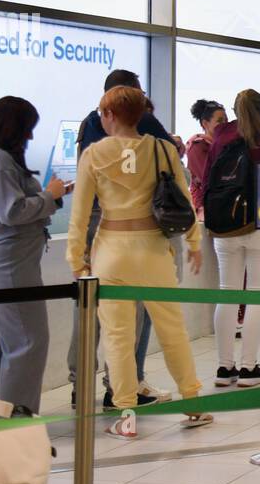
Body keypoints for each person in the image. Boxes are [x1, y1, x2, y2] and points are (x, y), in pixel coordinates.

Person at [67, 86, 211, 437]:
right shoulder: (162, 149)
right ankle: (192, 401)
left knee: (117, 337)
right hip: (153, 251)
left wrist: (76, 260)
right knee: (172, 328)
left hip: (110, 252)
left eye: (103, 113)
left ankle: (127, 415)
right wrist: (193, 243)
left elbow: (80, 215)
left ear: (111, 115)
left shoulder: (94, 154)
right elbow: (183, 199)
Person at [71, 69, 185, 407]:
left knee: (91, 307)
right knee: (138, 309)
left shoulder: (88, 123)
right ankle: (125, 383)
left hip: (96, 224)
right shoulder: (142, 122)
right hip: (130, 228)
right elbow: (167, 159)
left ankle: (81, 384)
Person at [0, 96, 62, 412]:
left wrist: (50, 197)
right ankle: (17, 426)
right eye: (27, 129)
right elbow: (12, 211)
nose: (30, 137)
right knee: (27, 345)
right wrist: (50, 196)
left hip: (0, 263)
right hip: (7, 265)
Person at [207, 89, 260, 388]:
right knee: (257, 294)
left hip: (224, 225)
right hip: (258, 225)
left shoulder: (222, 135)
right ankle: (249, 368)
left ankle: (225, 368)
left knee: (227, 292)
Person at [185, 98, 226, 220]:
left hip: (221, 204)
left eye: (226, 120)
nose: (224, 124)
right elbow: (207, 179)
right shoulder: (198, 145)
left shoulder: (223, 144)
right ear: (205, 124)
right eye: (219, 121)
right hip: (204, 208)